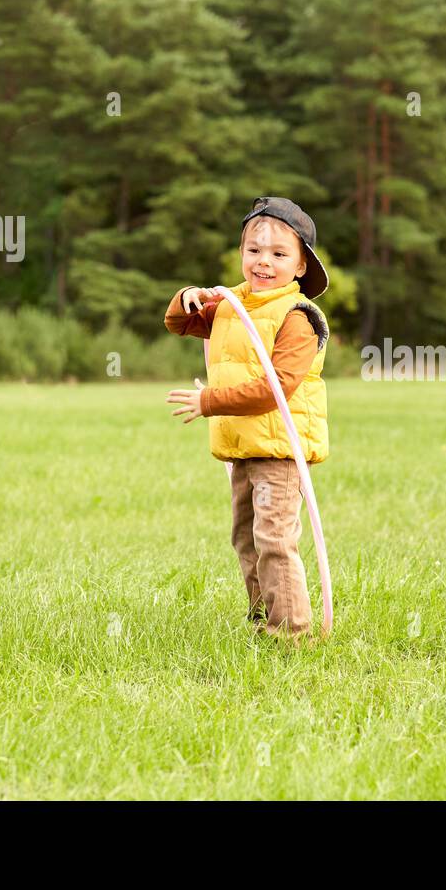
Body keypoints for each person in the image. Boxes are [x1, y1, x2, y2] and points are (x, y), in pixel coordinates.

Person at [165, 196, 331, 638]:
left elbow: (273, 390)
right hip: (243, 447)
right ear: (241, 254)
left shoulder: (298, 317)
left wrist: (209, 402)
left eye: (279, 254)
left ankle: (291, 631)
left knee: (274, 540)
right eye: (254, 250)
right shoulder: (231, 305)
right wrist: (188, 298)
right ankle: (262, 618)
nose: (264, 261)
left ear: (300, 266)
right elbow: (179, 323)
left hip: (279, 448)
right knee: (246, 537)